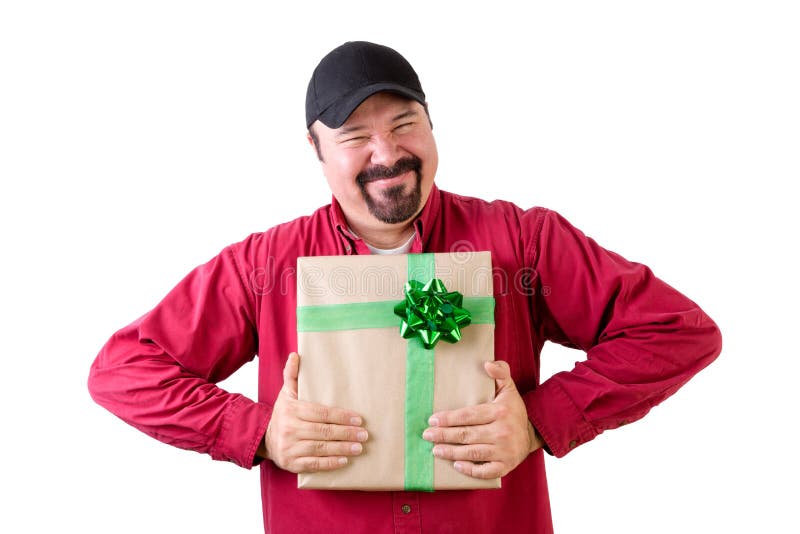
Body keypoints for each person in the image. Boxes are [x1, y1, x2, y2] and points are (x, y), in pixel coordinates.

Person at [88, 41, 722, 533]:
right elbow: (123, 370)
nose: (386, 152)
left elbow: (677, 332)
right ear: (316, 148)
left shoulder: (523, 243)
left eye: (404, 123)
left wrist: (536, 420)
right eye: (355, 136)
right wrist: (255, 432)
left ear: (431, 123)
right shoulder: (266, 266)